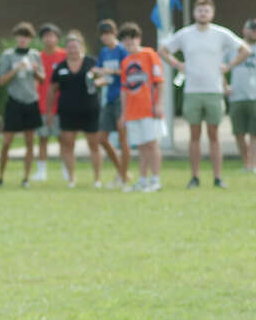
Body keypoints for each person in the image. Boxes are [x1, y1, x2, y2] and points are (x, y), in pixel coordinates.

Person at [159, 0, 250, 189]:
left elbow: (244, 50)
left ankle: (217, 177)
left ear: (212, 13)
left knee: (214, 135)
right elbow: (164, 50)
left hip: (214, 91)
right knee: (194, 135)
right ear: (194, 13)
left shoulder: (220, 33)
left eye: (206, 10)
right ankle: (195, 176)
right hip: (192, 90)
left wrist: (229, 66)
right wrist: (177, 64)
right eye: (200, 10)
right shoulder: (185, 34)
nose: (203, 13)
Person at [46, 31, 102, 188]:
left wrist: (99, 81)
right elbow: (52, 90)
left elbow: (104, 78)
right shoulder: (61, 67)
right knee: (67, 143)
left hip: (90, 110)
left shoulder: (92, 62)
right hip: (67, 112)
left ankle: (97, 179)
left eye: (75, 47)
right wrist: (49, 111)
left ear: (81, 47)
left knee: (94, 144)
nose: (72, 50)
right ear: (66, 49)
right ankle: (71, 178)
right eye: (69, 47)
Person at [0, 21, 45, 187]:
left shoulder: (35, 55)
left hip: (31, 101)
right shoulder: (8, 55)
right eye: (20, 36)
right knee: (7, 141)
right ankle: (0, 177)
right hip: (14, 102)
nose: (23, 39)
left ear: (30, 39)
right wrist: (16, 69)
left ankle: (26, 178)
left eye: (26, 36)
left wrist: (36, 70)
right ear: (16, 37)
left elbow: (42, 79)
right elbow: (1, 80)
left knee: (30, 141)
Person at [118, 22, 166, 192]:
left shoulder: (149, 55)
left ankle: (155, 180)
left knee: (152, 144)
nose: (129, 44)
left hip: (148, 108)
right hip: (133, 110)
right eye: (125, 41)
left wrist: (159, 104)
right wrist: (124, 113)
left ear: (138, 39)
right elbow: (124, 89)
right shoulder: (125, 62)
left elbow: (159, 82)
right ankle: (143, 179)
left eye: (132, 40)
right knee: (141, 146)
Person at [225, 19, 256, 174]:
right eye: (252, 29)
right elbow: (221, 68)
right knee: (239, 132)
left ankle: (253, 165)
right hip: (237, 96)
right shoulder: (233, 49)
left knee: (254, 133)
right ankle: (246, 163)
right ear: (244, 30)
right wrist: (225, 86)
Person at [96, 19, 131, 186]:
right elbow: (102, 74)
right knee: (101, 137)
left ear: (115, 33)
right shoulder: (104, 52)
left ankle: (123, 177)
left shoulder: (122, 50)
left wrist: (110, 71)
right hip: (108, 97)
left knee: (123, 138)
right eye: (103, 34)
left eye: (108, 33)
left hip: (121, 97)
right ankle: (121, 171)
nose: (105, 37)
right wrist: (98, 78)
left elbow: (128, 71)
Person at [33, 23, 65, 182]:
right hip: (42, 105)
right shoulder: (37, 57)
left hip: (61, 105)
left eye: (52, 35)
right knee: (43, 139)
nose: (49, 39)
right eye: (46, 36)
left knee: (63, 139)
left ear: (58, 38)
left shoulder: (64, 56)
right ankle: (41, 172)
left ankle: (66, 171)